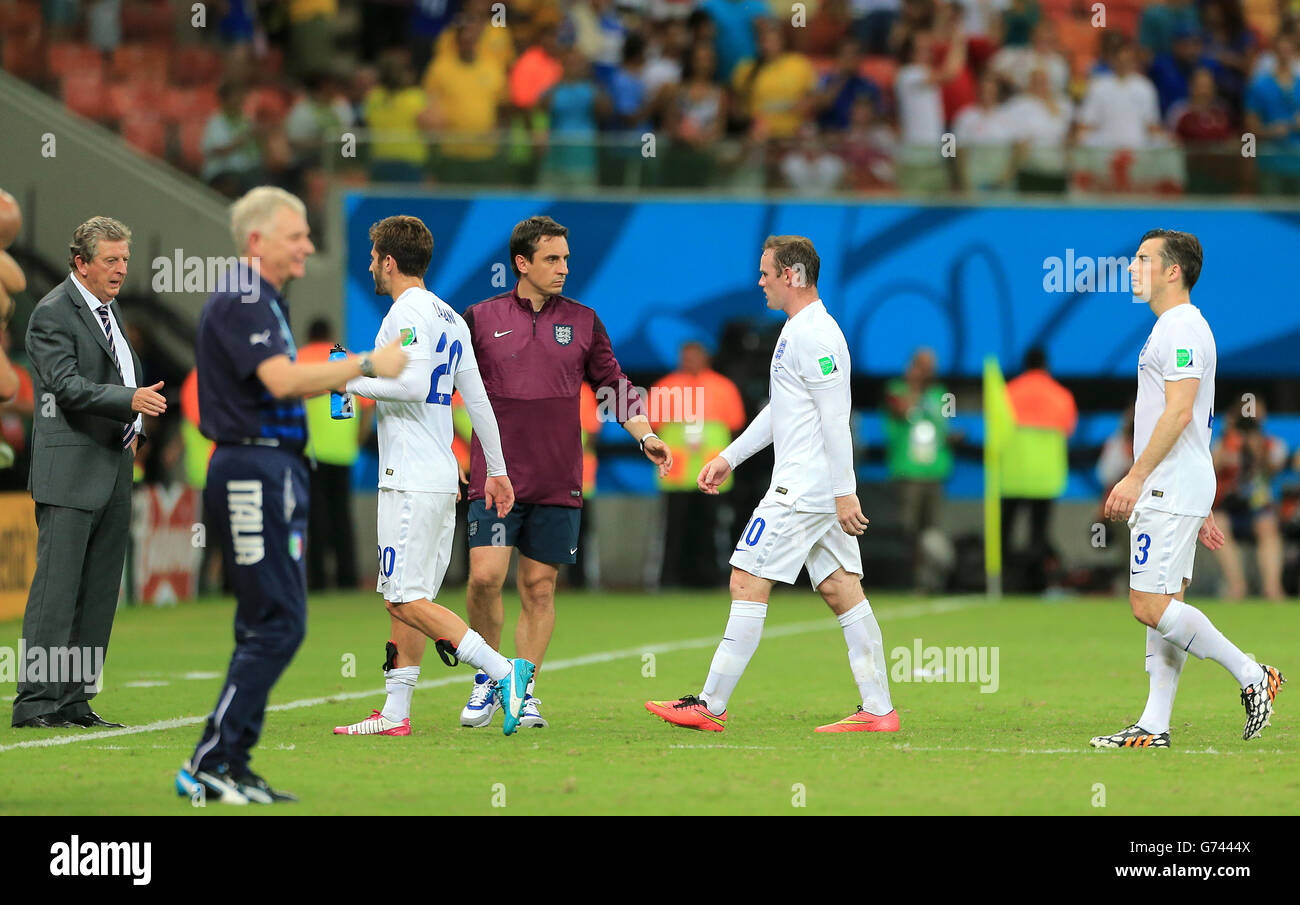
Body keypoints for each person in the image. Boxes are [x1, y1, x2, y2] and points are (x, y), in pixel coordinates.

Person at [350, 215, 670, 733]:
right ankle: (489, 680)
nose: (563, 267)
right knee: (483, 579)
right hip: (496, 477)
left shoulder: (584, 321)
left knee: (539, 588)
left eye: (565, 258)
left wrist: (645, 433)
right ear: (522, 263)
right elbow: (447, 384)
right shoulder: (477, 317)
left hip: (557, 476)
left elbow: (612, 382)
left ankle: (526, 690)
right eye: (552, 259)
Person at [175, 187, 408, 805]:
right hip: (253, 468)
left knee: (269, 620)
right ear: (257, 241)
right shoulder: (246, 297)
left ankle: (229, 763)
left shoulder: (262, 300)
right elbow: (280, 381)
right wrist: (365, 365)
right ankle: (208, 763)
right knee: (278, 621)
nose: (309, 244)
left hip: (270, 467)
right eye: (297, 234)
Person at [646, 235, 897, 734]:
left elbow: (834, 419)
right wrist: (730, 456)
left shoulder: (816, 335)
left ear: (791, 276)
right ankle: (879, 709)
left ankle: (710, 705)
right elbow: (781, 412)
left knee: (745, 578)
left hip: (802, 490)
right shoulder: (796, 331)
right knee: (841, 588)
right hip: (816, 488)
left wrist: (845, 491)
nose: (759, 281)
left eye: (765, 273)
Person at [331, 215, 535, 738]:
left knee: (403, 598)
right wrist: (500, 470)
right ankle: (396, 713)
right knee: (407, 594)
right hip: (440, 476)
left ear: (390, 261)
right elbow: (480, 400)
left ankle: (503, 671)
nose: (371, 265)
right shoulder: (449, 315)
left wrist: (350, 379)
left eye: (375, 257)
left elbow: (416, 384)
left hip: (411, 479)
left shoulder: (407, 311)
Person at [1092, 229, 1284, 750]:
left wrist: (1136, 477)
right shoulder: (1178, 327)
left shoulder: (1179, 329)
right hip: (1181, 485)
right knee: (1167, 603)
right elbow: (1199, 423)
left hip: (1166, 486)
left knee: (1148, 604)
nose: (1132, 269)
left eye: (1142, 259)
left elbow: (1179, 412)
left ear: (1172, 271)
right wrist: (1203, 502)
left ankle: (1251, 674)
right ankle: (1154, 725)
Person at [12, 216, 163, 730]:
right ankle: (35, 702)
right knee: (57, 592)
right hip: (71, 467)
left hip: (114, 466)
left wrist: (135, 421)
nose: (121, 270)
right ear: (80, 262)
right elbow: (65, 385)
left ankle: (74, 700)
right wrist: (130, 401)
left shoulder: (108, 310)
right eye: (110, 261)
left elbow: (120, 371)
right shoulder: (52, 313)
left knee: (98, 592)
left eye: (125, 260)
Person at [652, 341, 746, 588]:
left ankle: (711, 580)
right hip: (677, 474)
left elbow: (736, 426)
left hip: (712, 474)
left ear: (707, 358)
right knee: (674, 530)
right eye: (686, 357)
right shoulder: (665, 387)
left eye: (695, 356)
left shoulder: (724, 388)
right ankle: (669, 580)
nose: (690, 361)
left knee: (711, 529)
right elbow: (652, 426)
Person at [298, 318, 372, 591]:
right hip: (344, 452)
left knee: (315, 518)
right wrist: (358, 439)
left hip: (311, 451)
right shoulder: (348, 360)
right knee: (342, 517)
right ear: (331, 336)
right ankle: (347, 578)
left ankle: (316, 581)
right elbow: (368, 405)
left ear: (309, 336)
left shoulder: (299, 359)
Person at [1000, 346, 1076, 593]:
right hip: (1046, 477)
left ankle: (1005, 582)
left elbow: (995, 430)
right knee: (1039, 534)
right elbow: (1069, 429)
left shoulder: (1008, 392)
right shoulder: (1061, 395)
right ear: (1046, 365)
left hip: (1012, 475)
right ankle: (1034, 583)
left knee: (1005, 534)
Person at [884, 347, 954, 592]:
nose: (928, 372)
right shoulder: (896, 390)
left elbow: (949, 424)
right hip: (909, 472)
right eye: (923, 366)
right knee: (908, 529)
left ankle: (930, 580)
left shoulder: (943, 395)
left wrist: (954, 436)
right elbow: (901, 411)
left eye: (930, 367)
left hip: (935, 472)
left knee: (932, 531)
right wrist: (915, 386)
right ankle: (908, 578)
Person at [1211, 404, 1288, 600]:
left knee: (1267, 526)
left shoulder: (1269, 444)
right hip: (1227, 510)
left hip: (1257, 510)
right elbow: (1212, 465)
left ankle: (1272, 588)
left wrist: (1257, 450)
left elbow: (1276, 465)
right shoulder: (1223, 443)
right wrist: (1228, 440)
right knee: (1218, 525)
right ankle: (1237, 586)